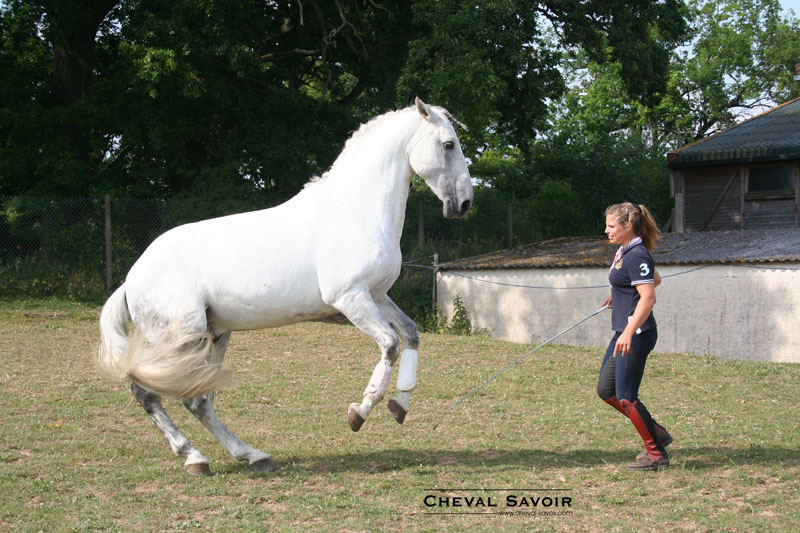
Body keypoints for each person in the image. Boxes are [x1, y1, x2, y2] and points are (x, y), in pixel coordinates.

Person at [597, 202, 672, 470]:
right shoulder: (625, 251)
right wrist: (619, 295)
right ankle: (657, 432)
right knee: (606, 390)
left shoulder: (636, 254)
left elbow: (649, 296)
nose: (606, 230)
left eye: (611, 226)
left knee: (626, 395)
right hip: (623, 331)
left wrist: (628, 331)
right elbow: (655, 279)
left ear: (628, 226)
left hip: (635, 334)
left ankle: (656, 455)